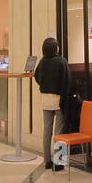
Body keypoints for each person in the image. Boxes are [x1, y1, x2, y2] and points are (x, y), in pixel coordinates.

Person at [33, 37, 71, 171]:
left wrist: (44, 85)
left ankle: (47, 161)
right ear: (56, 48)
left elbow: (36, 76)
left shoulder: (42, 62)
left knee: (47, 131)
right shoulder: (61, 61)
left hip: (45, 99)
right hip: (58, 99)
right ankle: (59, 162)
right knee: (59, 132)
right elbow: (67, 80)